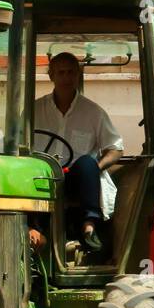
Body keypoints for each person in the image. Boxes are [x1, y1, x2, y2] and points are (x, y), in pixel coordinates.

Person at [32, 51, 123, 252]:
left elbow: (115, 149)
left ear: (78, 75)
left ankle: (89, 226)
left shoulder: (93, 112)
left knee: (86, 163)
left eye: (71, 72)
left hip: (76, 180)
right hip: (39, 177)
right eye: (61, 72)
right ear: (51, 75)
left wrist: (94, 169)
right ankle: (34, 230)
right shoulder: (34, 110)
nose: (66, 78)